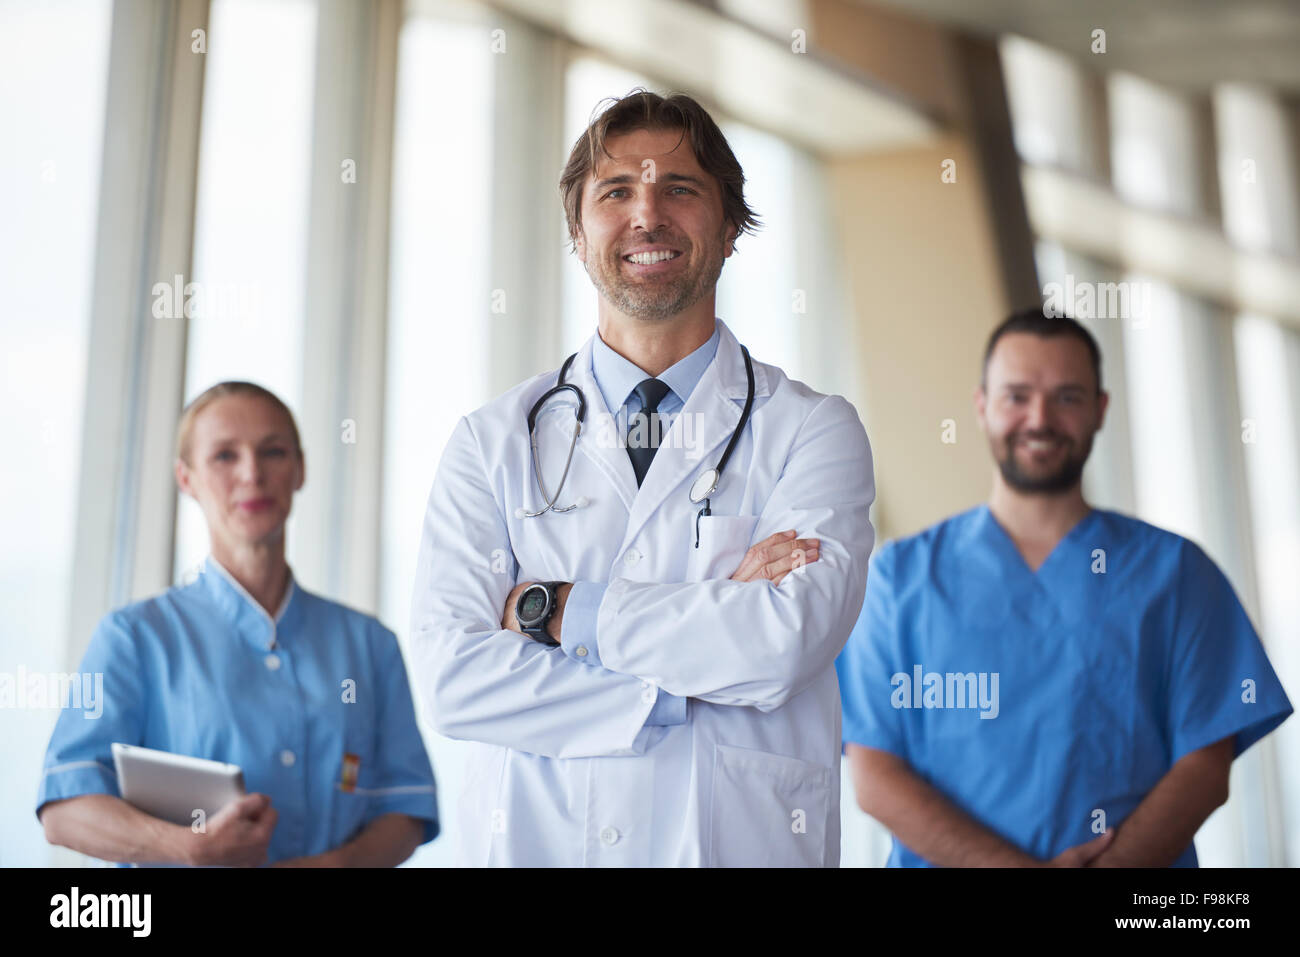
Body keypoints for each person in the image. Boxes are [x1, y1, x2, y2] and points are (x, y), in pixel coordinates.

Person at [411, 89, 875, 866]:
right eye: (617, 191)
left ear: (730, 228)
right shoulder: (491, 442)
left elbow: (783, 643)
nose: (647, 216)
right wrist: (682, 679)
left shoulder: (812, 429)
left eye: (680, 189)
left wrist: (557, 610)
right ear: (578, 229)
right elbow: (455, 676)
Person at [837, 307, 1293, 867]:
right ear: (982, 407)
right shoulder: (897, 579)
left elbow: (1205, 765)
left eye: (1067, 397)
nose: (1040, 418)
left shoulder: (1175, 574)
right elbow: (875, 772)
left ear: (1100, 410)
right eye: (1017, 396)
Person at [37, 381, 439, 866]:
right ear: (186, 478)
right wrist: (187, 848)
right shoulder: (133, 637)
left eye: (273, 452)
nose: (252, 474)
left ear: (300, 469)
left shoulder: (370, 645)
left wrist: (334, 867)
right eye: (224, 456)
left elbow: (406, 807)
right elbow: (64, 808)